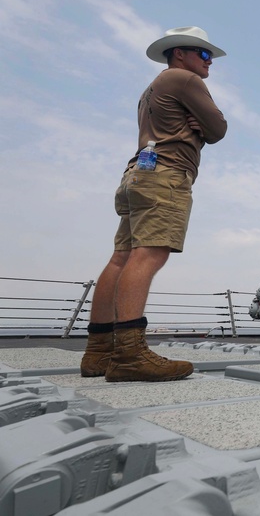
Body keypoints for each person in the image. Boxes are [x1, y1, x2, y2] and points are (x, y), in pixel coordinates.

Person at [80, 26, 228, 382]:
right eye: (204, 54)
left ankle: (98, 351)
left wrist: (199, 126)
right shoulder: (183, 79)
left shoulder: (151, 89)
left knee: (121, 258)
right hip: (166, 174)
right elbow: (219, 128)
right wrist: (202, 128)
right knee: (149, 254)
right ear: (180, 53)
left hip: (138, 173)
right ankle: (130, 354)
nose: (209, 62)